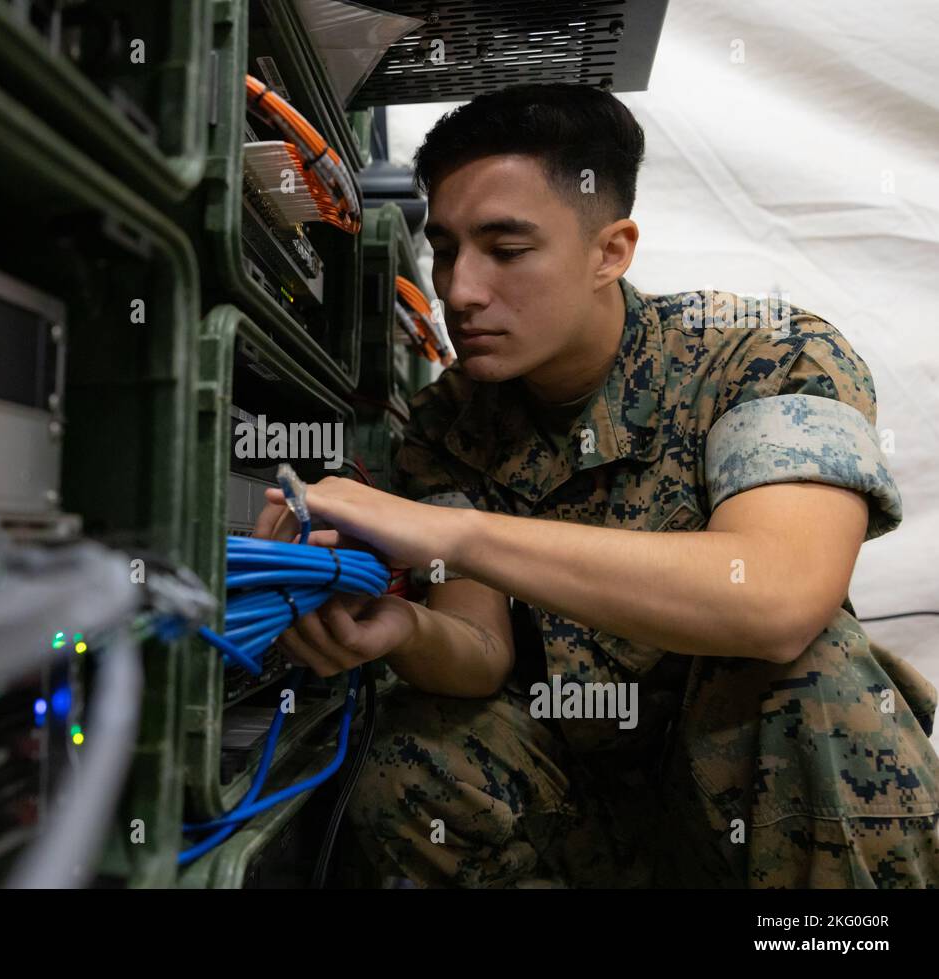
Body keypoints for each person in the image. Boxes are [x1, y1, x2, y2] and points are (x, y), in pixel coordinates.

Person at [252, 84, 939, 888]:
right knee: (415, 750)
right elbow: (478, 653)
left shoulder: (763, 356)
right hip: (588, 812)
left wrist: (458, 534)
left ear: (610, 251)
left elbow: (780, 600)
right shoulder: (452, 421)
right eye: (445, 247)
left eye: (506, 250)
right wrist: (400, 630)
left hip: (765, 808)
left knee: (810, 674)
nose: (461, 290)